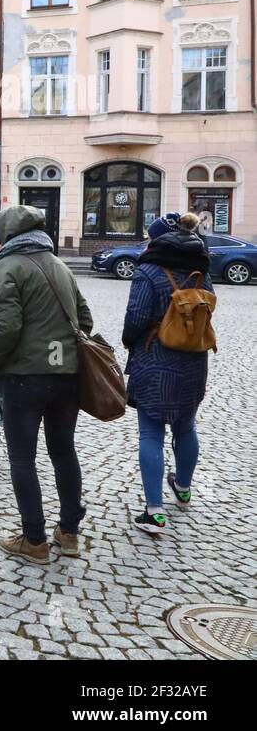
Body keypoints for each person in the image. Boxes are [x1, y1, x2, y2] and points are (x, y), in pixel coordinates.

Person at [0, 205, 93, 564]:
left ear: (6, 237)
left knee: (22, 459)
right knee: (64, 452)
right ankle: (69, 532)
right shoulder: (60, 265)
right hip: (67, 377)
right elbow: (86, 320)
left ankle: (34, 540)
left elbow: (5, 328)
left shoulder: (8, 266)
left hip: (24, 378)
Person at [122, 213, 213, 535]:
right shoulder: (200, 268)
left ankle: (155, 512)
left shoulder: (148, 270)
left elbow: (136, 317)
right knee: (186, 426)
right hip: (194, 359)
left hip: (155, 358)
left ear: (157, 239)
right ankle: (184, 489)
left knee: (150, 434)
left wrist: (128, 341)